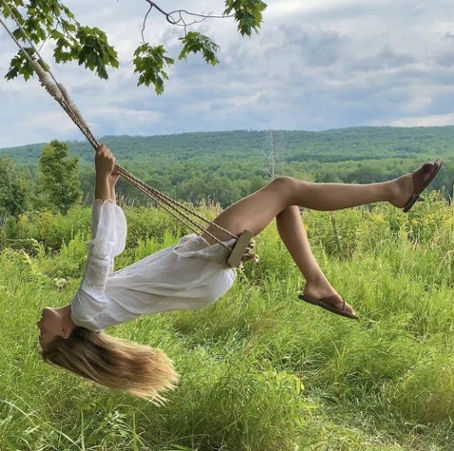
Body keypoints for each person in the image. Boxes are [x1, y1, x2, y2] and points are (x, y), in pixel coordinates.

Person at [37, 145, 442, 401]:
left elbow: (109, 247)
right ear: (66, 335)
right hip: (197, 264)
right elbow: (101, 251)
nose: (40, 327)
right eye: (44, 336)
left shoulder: (92, 312)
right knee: (284, 187)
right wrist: (98, 180)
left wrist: (108, 185)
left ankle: (317, 283)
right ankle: (395, 191)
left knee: (286, 201)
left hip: (200, 273)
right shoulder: (86, 312)